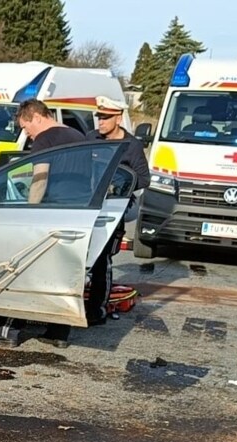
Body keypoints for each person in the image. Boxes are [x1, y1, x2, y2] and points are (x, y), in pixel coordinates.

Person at [1, 99, 85, 348]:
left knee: (27, 268)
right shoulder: (79, 136)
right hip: (79, 213)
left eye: (26, 127)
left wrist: (30, 212)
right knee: (64, 273)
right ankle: (59, 333)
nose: (26, 134)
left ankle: (12, 331)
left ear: (36, 117)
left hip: (51, 212)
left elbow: (40, 178)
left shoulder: (44, 140)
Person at [85, 95, 150, 324]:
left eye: (106, 117)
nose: (101, 121)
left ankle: (97, 311)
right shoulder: (91, 138)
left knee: (102, 260)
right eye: (99, 117)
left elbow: (143, 179)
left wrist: (120, 185)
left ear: (118, 118)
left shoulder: (132, 146)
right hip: (87, 206)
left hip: (113, 208)